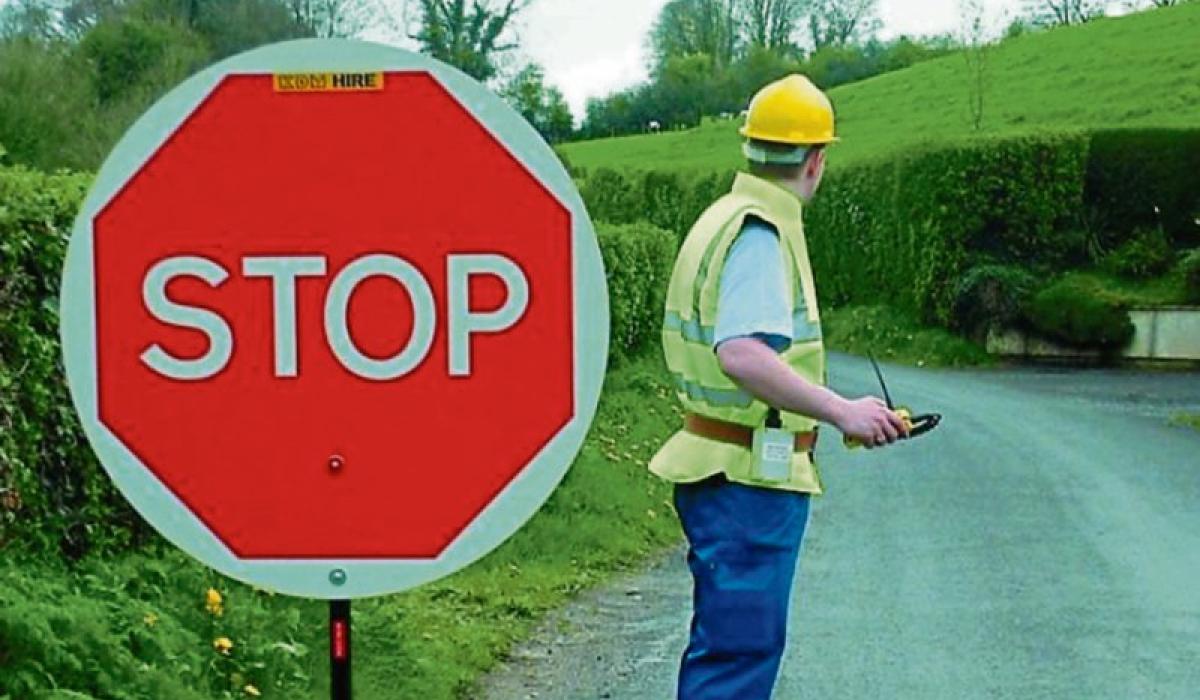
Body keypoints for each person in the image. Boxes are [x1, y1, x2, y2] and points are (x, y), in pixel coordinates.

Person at [649, 74, 909, 700]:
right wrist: (841, 410)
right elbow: (741, 354)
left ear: (752, 149)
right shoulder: (762, 233)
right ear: (817, 160)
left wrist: (837, 415)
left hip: (726, 467)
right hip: (747, 479)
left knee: (730, 646)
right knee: (740, 655)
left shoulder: (724, 216)